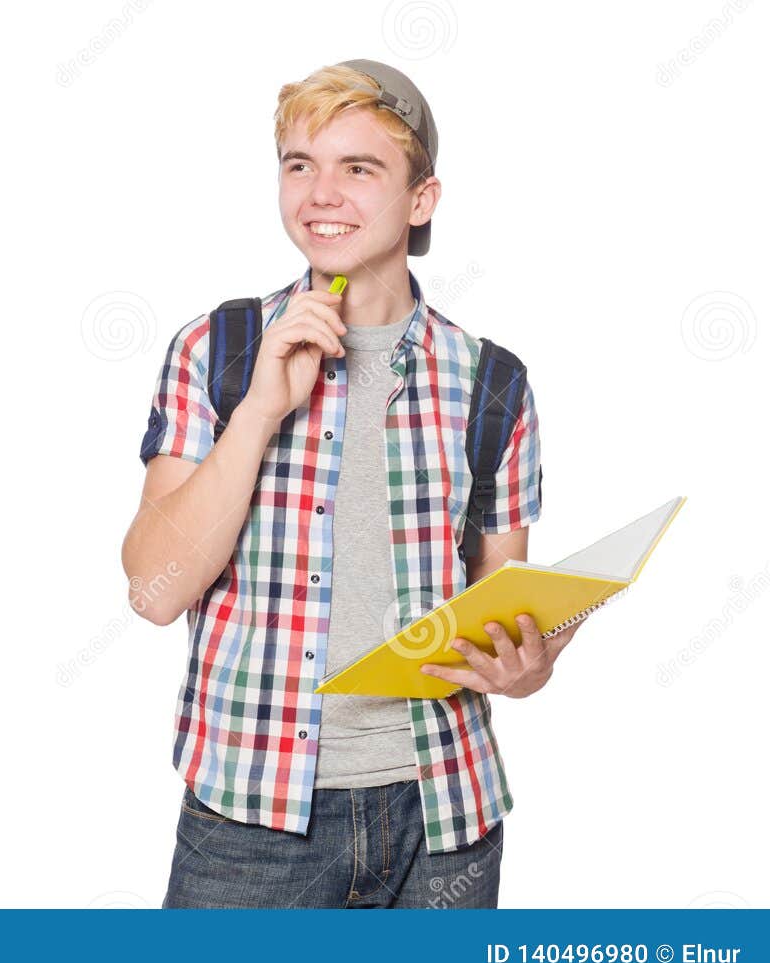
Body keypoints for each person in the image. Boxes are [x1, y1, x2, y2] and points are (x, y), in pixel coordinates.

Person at [122, 59, 582, 908]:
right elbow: (154, 592)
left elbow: (506, 610)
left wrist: (528, 666)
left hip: (444, 817)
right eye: (300, 164)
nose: (319, 193)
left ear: (421, 200)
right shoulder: (217, 350)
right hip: (252, 826)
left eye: (357, 168)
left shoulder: (493, 384)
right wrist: (261, 408)